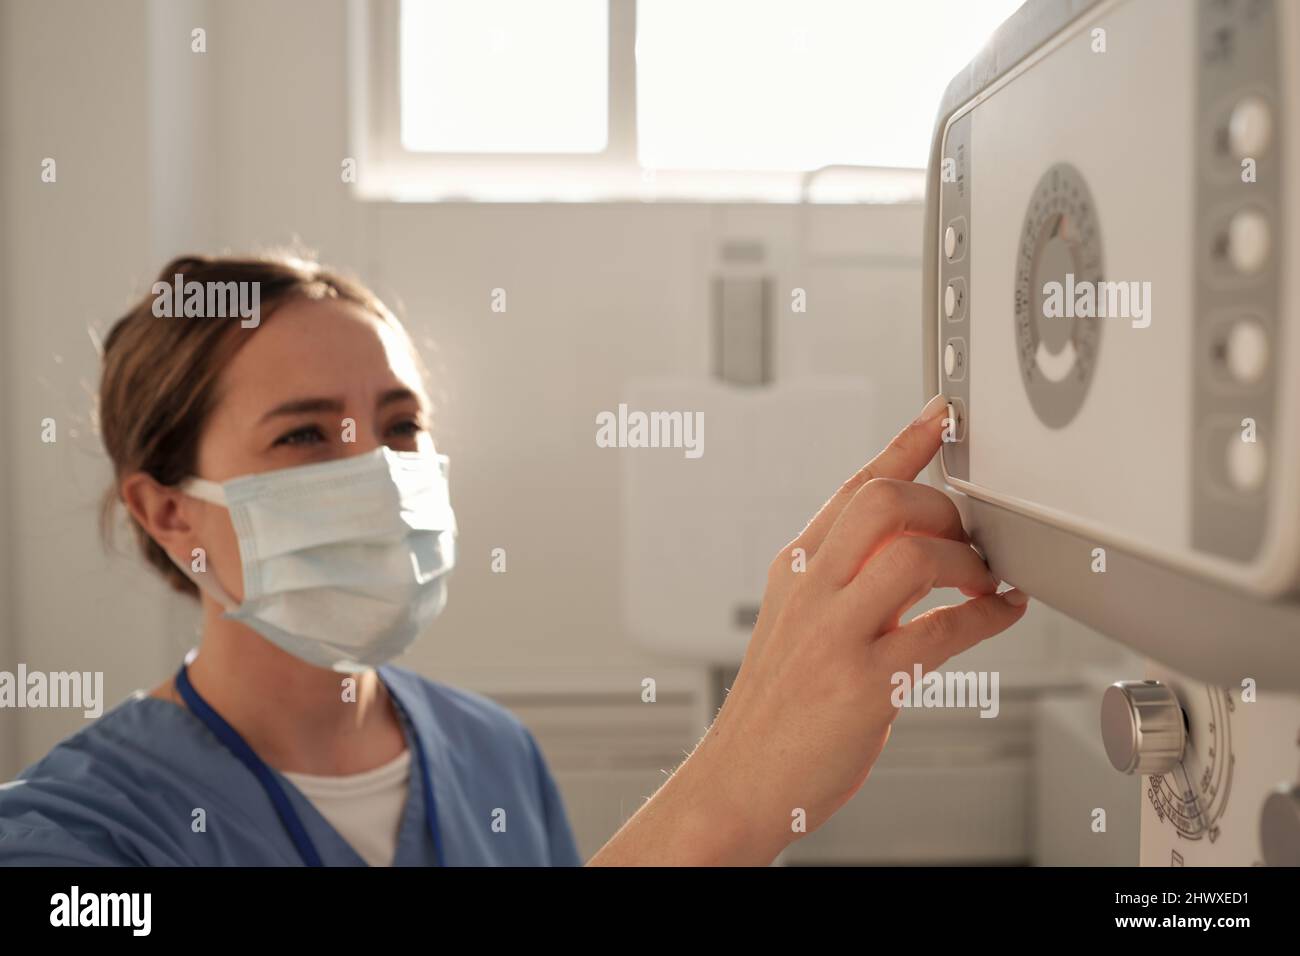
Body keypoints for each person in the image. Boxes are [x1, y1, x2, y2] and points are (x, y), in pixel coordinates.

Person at [0, 253, 1027, 867]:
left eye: (400, 426)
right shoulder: (78, 834)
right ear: (167, 510)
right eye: (307, 436)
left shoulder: (491, 753)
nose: (379, 467)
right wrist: (729, 792)